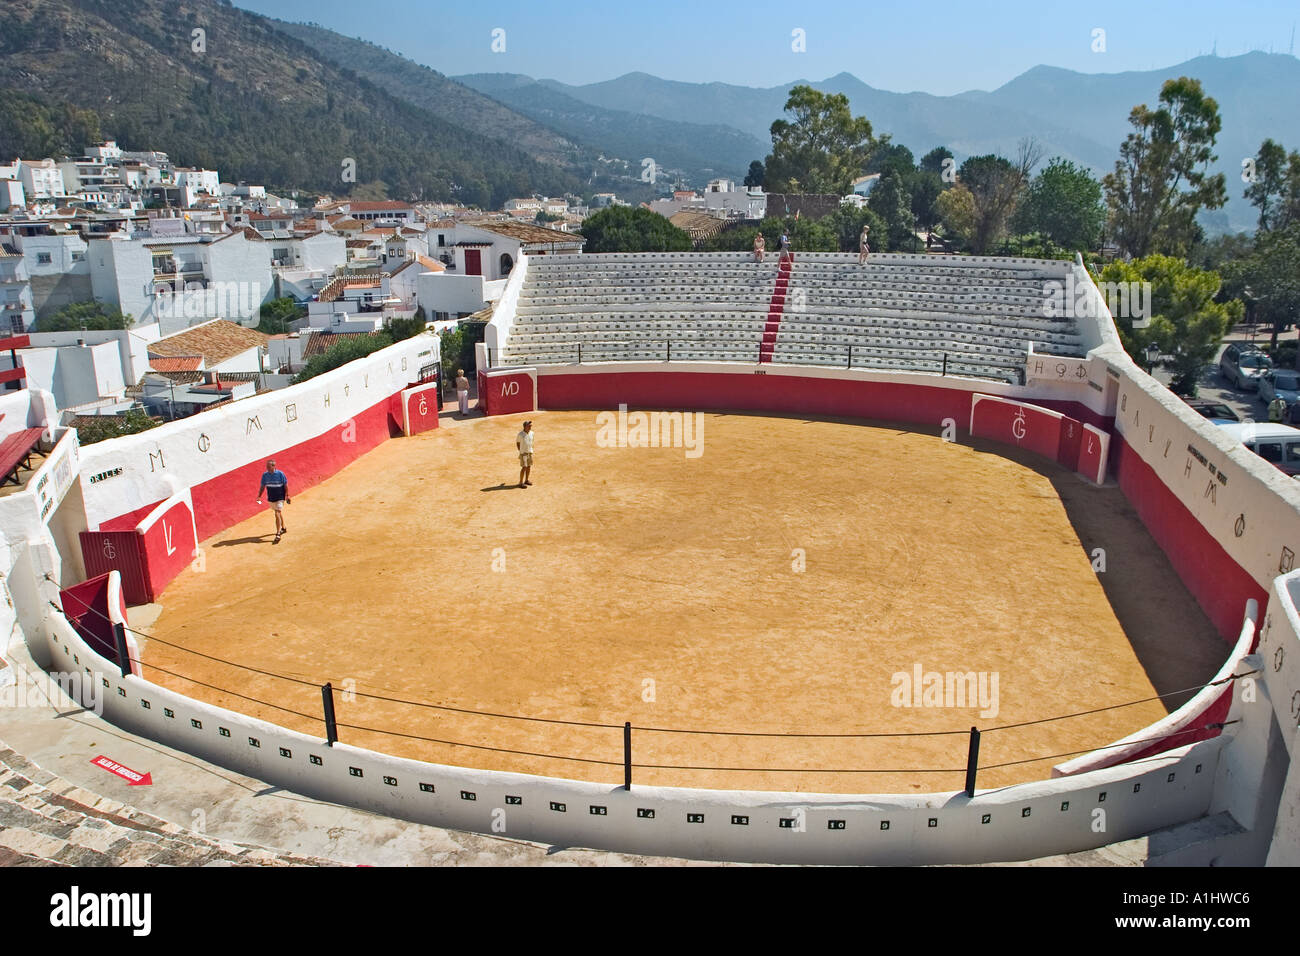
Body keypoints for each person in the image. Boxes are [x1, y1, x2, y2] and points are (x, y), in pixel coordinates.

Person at [256, 459, 290, 543]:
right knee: (278, 512)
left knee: (277, 513)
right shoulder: (265, 475)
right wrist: (259, 496)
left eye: (268, 466)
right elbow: (262, 486)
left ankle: (278, 533)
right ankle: (283, 528)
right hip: (271, 497)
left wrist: (287, 495)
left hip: (280, 497)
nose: (267, 468)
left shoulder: (280, 474)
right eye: (266, 466)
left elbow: (285, 485)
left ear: (274, 466)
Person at [517, 420, 534, 488]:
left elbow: (531, 442)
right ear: (525, 426)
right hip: (523, 453)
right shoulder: (520, 434)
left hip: (529, 452)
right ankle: (520, 483)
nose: (530, 426)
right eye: (529, 426)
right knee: (524, 467)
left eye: (530, 425)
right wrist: (520, 451)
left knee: (529, 466)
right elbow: (517, 443)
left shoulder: (532, 433)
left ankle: (526, 480)